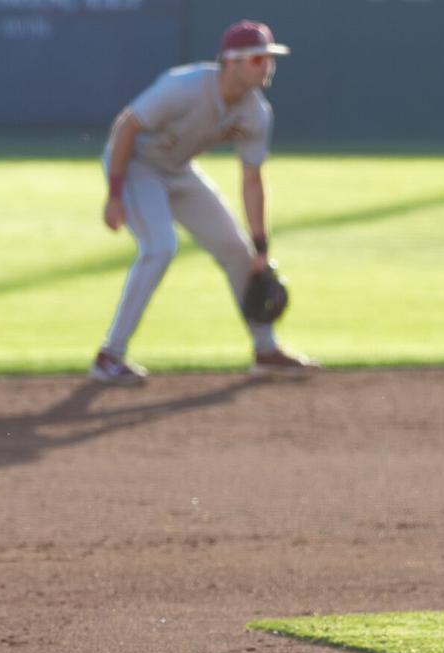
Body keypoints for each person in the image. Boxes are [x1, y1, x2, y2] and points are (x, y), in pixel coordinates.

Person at [91, 19, 317, 385]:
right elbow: (126, 127)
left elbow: (252, 180)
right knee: (160, 246)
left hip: (179, 170)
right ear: (232, 62)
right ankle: (109, 355)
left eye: (270, 59)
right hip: (136, 165)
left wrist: (261, 247)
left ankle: (265, 350)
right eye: (258, 59)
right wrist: (115, 194)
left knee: (238, 251)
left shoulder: (256, 112)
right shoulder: (184, 86)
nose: (268, 66)